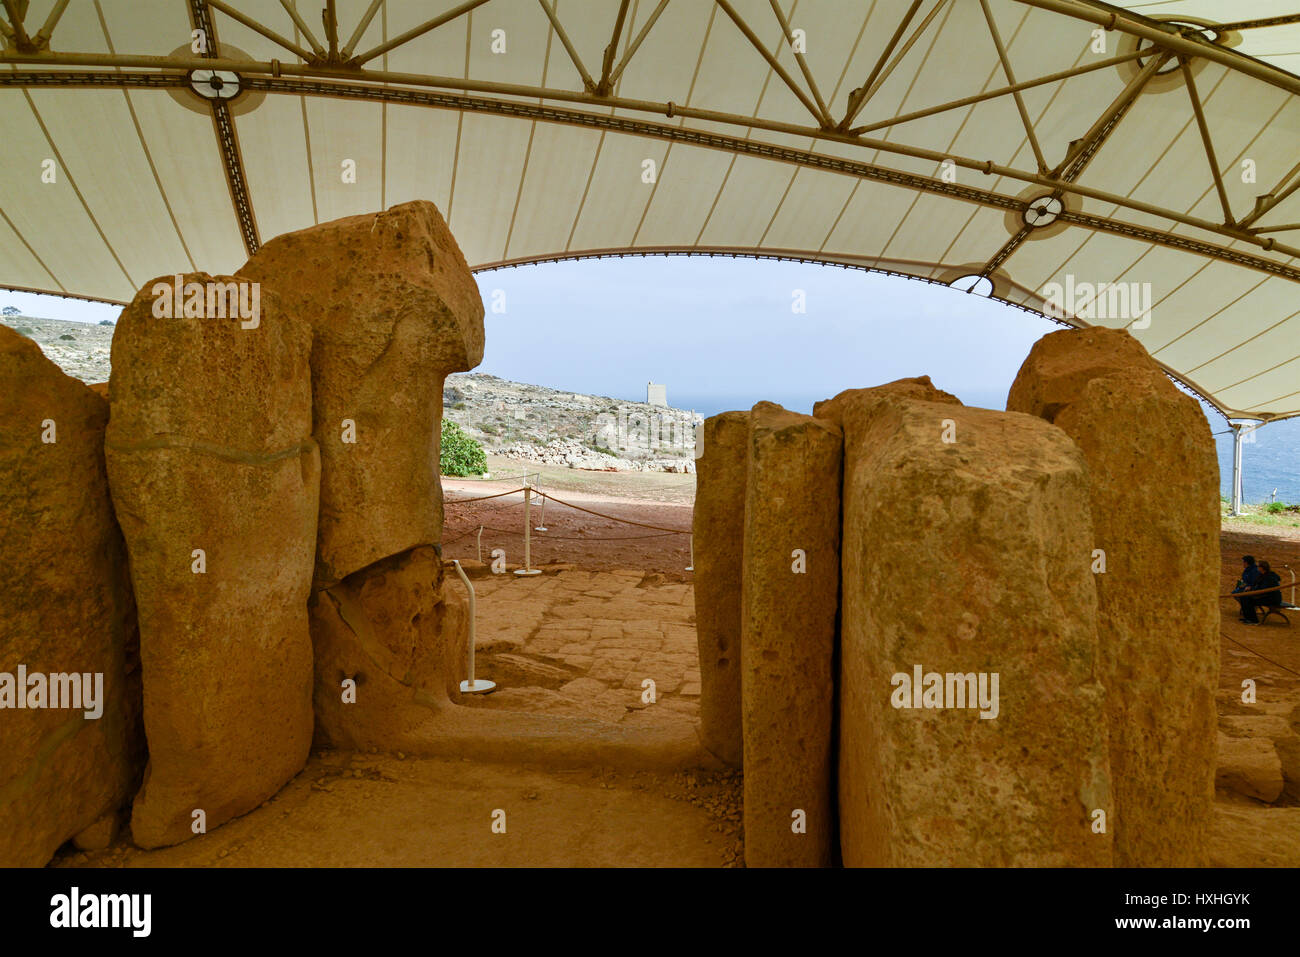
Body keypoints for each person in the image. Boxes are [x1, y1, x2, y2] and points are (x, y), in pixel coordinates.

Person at [1234, 555, 1262, 623]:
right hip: (1245, 588)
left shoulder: (1254, 571)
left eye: (1243, 562)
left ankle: (1250, 615)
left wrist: (1249, 587)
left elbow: (1254, 582)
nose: (1242, 564)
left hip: (1252, 590)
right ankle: (1246, 614)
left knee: (1245, 597)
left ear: (1247, 563)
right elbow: (1244, 580)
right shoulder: (1247, 570)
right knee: (1236, 594)